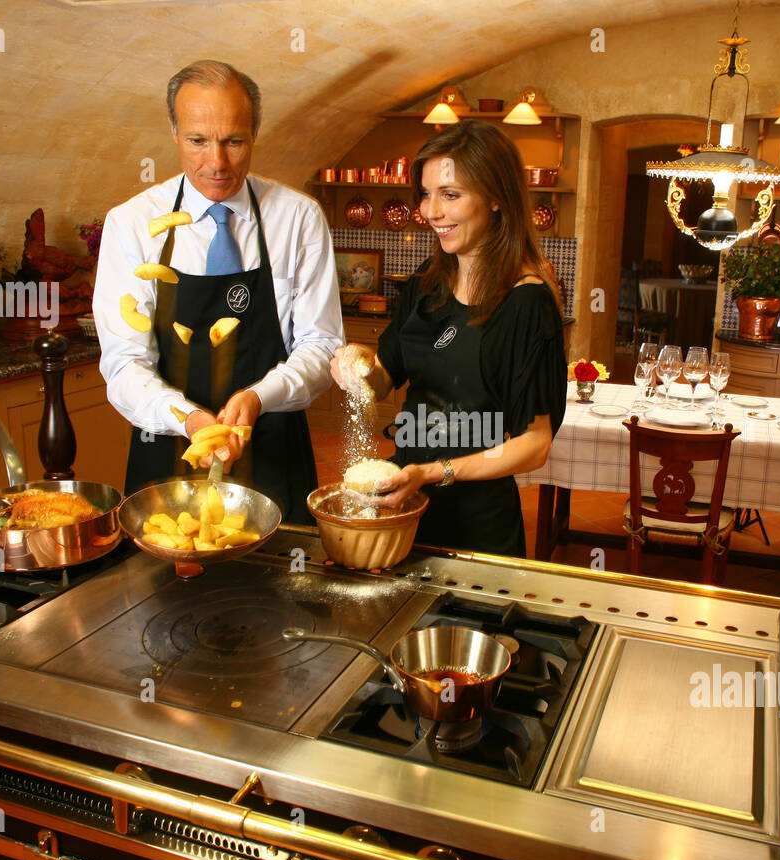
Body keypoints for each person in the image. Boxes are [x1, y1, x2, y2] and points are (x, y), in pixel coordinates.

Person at [93, 60, 343, 523]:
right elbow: (123, 361)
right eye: (197, 141)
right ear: (173, 130)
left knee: (282, 587)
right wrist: (188, 419)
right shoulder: (131, 224)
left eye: (234, 141)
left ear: (255, 133)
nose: (217, 163)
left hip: (274, 446)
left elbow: (320, 343)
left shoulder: (298, 218)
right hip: (167, 450)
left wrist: (258, 397)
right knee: (164, 589)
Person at [330, 120, 567, 558]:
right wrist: (356, 363)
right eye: (425, 193)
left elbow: (534, 444)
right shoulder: (426, 283)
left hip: (477, 522)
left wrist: (433, 472)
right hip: (403, 501)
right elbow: (383, 377)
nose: (431, 211)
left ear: (496, 198)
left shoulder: (527, 305)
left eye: (450, 194)